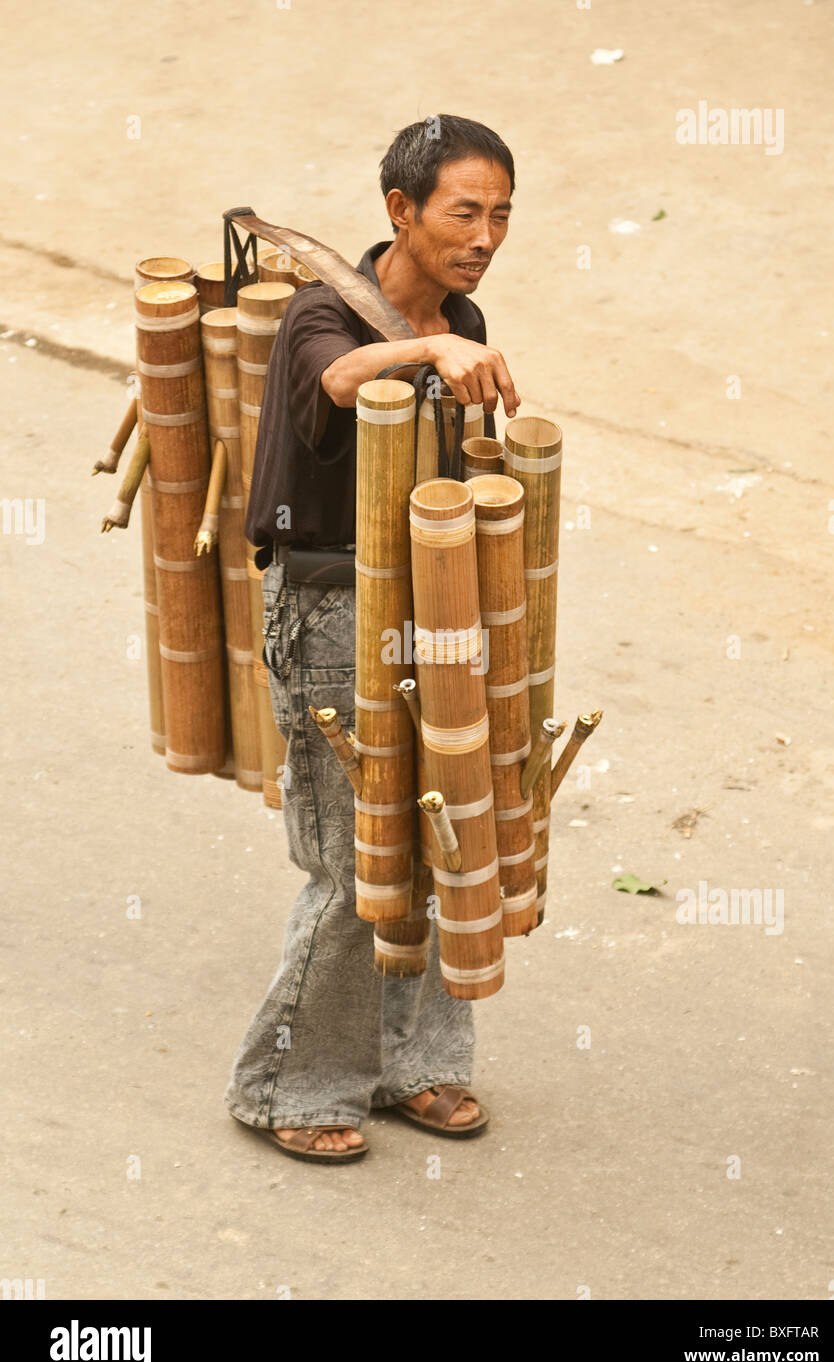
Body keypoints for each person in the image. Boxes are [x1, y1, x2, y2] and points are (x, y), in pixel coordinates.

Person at [224, 115, 520, 1163]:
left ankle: (416, 1063)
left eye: (500, 215)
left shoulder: (462, 312)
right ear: (400, 210)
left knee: (445, 832)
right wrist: (430, 346)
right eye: (464, 212)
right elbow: (344, 383)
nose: (484, 236)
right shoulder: (323, 314)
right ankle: (288, 1083)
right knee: (355, 863)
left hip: (429, 605)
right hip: (328, 612)